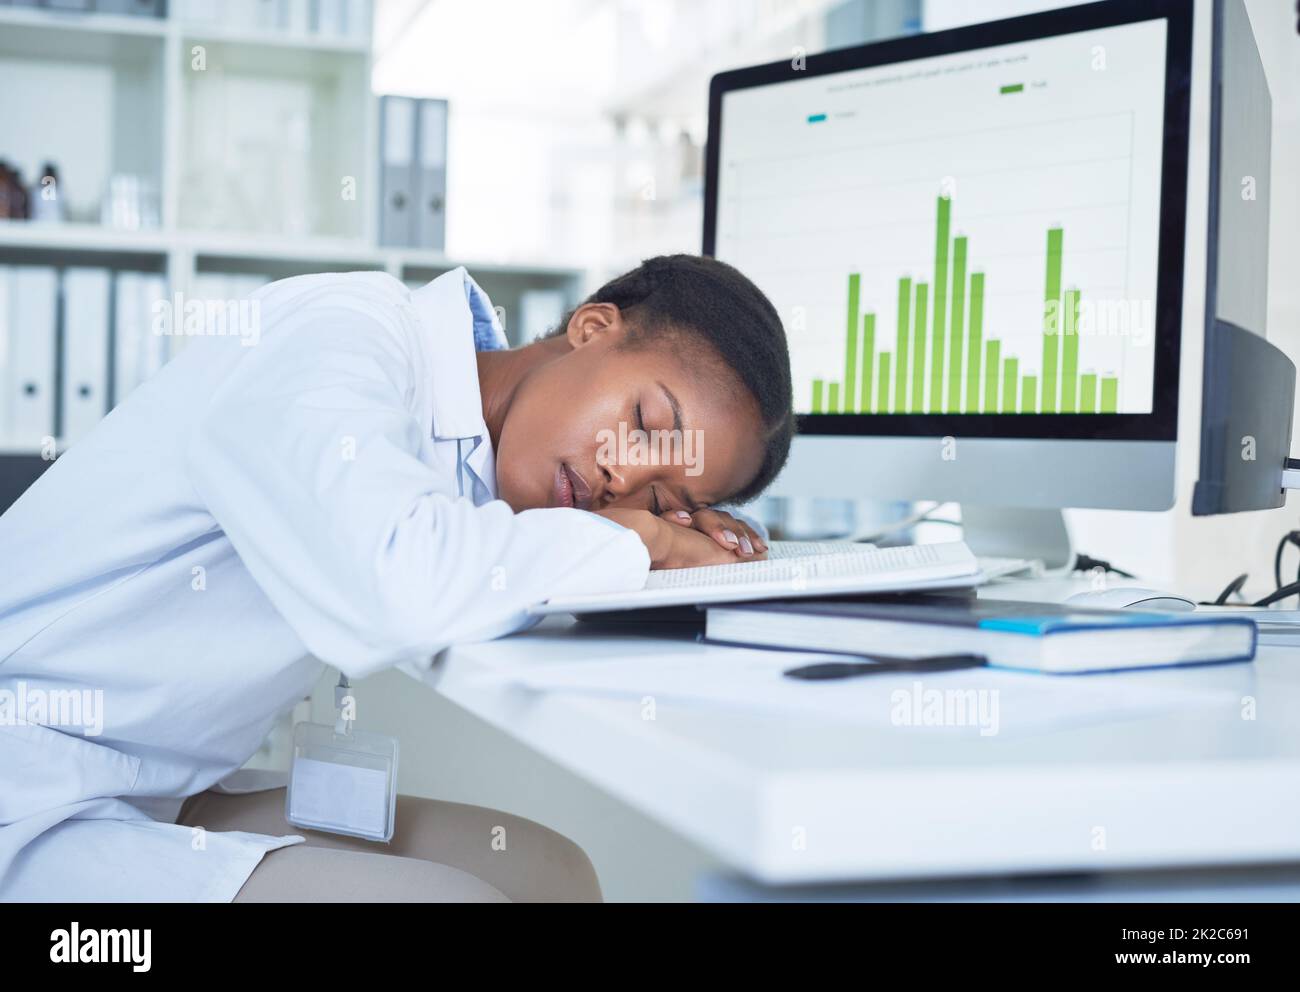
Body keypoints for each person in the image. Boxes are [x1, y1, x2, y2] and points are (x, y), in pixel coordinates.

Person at [0, 254, 794, 901]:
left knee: (548, 872)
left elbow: (482, 559)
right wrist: (645, 544)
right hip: (31, 790)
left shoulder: (489, 478)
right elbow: (400, 582)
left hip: (161, 780)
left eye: (664, 494)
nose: (622, 482)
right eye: (646, 426)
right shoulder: (347, 335)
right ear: (592, 328)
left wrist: (670, 548)